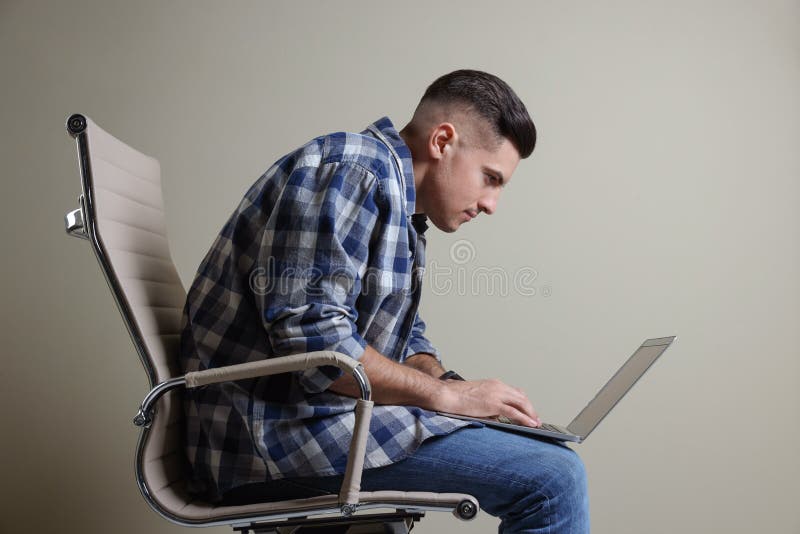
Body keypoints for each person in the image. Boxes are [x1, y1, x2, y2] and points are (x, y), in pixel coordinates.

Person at [180, 69, 590, 532]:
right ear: (442, 141)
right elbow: (317, 351)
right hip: (268, 436)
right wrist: (446, 396)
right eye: (490, 178)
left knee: (547, 456)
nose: (491, 203)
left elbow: (400, 335)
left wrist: (453, 386)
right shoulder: (351, 170)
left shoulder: (402, 208)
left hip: (314, 420)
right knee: (554, 479)